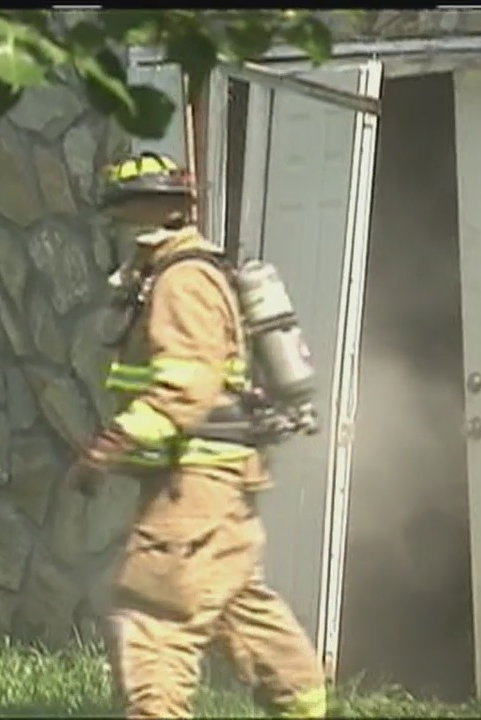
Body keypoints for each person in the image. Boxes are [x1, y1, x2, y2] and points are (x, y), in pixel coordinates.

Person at [70, 150, 328, 718]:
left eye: (120, 212)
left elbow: (185, 386)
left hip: (193, 485)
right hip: (204, 486)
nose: (117, 226)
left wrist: (108, 448)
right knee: (239, 608)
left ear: (138, 211)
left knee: (153, 617)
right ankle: (304, 704)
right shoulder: (174, 274)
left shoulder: (182, 280)